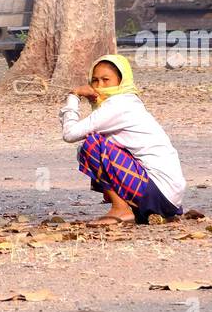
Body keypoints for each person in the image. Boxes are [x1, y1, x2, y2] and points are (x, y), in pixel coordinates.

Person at [59, 54, 185, 225]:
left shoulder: (119, 105)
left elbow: (70, 134)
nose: (99, 86)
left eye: (106, 80)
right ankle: (134, 208)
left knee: (92, 144)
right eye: (95, 81)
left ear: (121, 82)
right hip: (168, 200)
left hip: (158, 193)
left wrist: (73, 96)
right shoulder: (128, 102)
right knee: (97, 144)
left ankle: (121, 209)